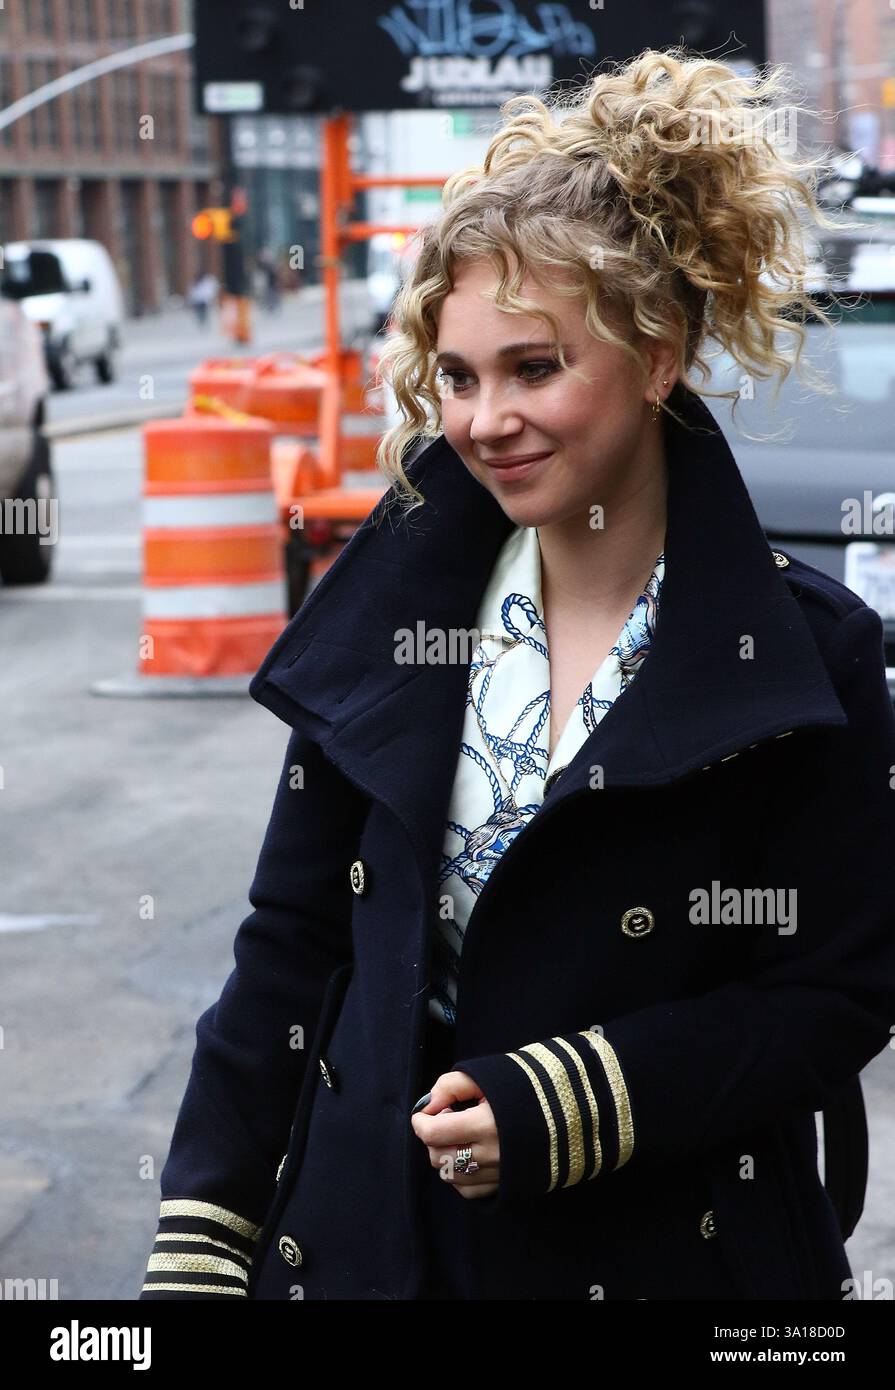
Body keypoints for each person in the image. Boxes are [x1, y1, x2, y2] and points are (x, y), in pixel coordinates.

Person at [139, 48, 895, 1300]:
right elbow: (289, 945)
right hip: (368, 1243)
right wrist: (204, 1236)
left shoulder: (806, 652)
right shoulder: (388, 614)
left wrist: (576, 1100)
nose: (486, 419)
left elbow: (839, 988)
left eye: (534, 368)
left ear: (656, 358)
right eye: (458, 376)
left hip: (669, 1255)